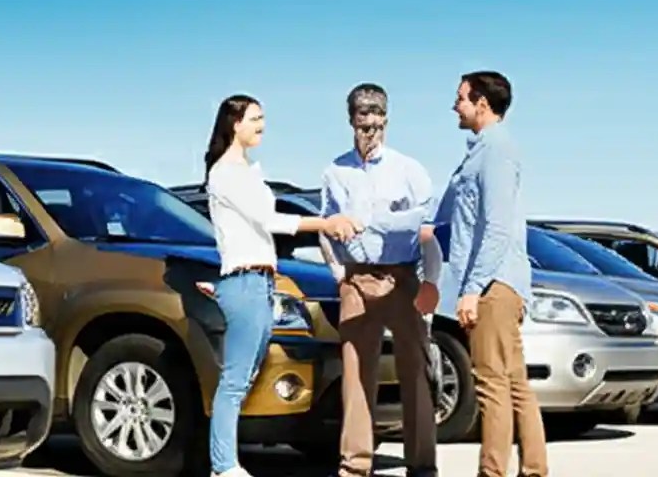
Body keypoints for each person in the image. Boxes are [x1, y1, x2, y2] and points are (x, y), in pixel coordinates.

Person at [201, 94, 361, 477]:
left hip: (262, 282)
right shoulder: (224, 173)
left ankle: (226, 462)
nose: (262, 125)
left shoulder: (249, 170)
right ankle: (223, 466)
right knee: (236, 379)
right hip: (244, 281)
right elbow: (267, 219)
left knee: (248, 372)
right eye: (255, 118)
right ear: (234, 123)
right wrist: (324, 224)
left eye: (263, 117)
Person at [425, 71, 547, 477]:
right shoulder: (478, 152)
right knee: (512, 385)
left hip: (494, 284)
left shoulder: (496, 151)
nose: (453, 105)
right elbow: (443, 215)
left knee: (491, 384)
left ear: (481, 102)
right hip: (497, 281)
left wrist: (472, 289)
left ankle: (492, 472)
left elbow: (496, 227)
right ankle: (533, 469)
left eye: (460, 98)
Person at [317, 83, 442, 477]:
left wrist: (429, 283)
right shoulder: (335, 171)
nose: (369, 122)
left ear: (387, 117)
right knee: (355, 377)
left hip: (402, 279)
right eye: (361, 114)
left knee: (415, 374)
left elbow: (428, 229)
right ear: (350, 118)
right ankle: (355, 466)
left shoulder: (409, 170)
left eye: (376, 114)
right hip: (356, 280)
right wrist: (339, 274)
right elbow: (325, 226)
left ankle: (421, 465)